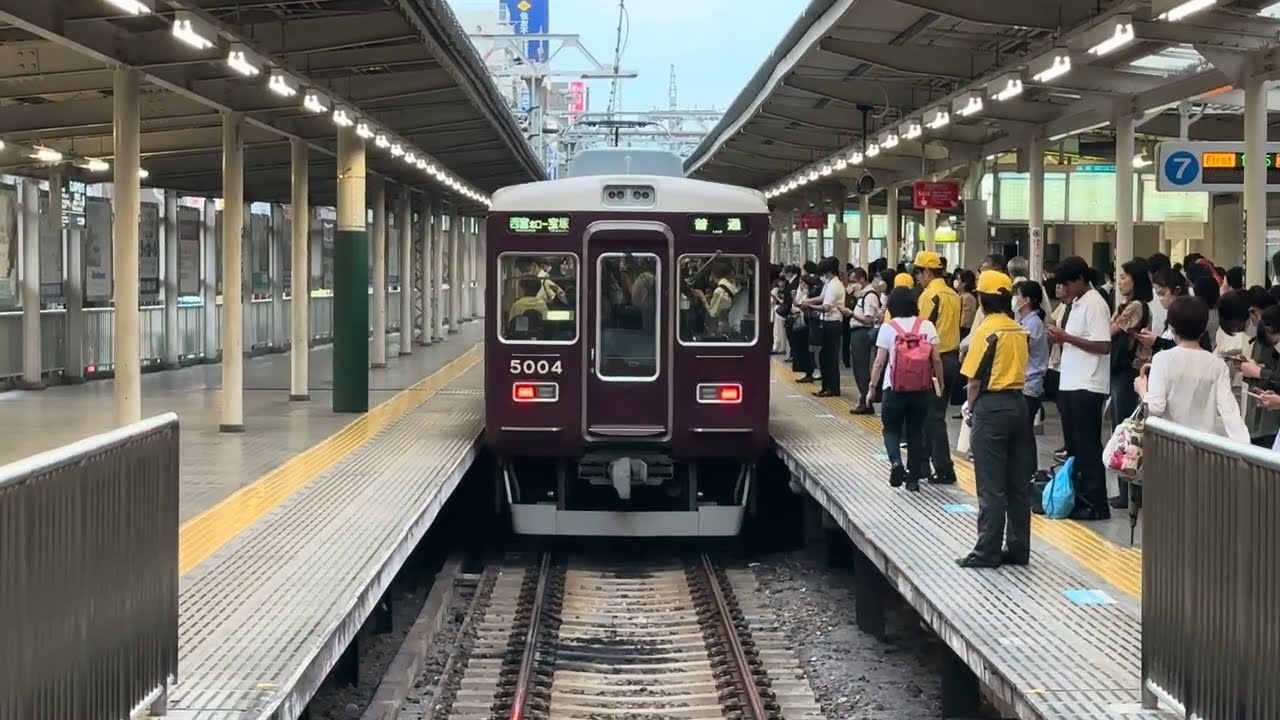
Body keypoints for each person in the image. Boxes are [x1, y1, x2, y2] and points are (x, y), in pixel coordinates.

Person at [957, 270, 1033, 568]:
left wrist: (969, 406)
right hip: (1019, 405)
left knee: (991, 484)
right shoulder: (1018, 329)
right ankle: (1017, 548)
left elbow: (974, 380)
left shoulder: (987, 331)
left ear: (982, 299)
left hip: (992, 408)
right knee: (1017, 483)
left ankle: (987, 550)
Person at [1047, 256, 1112, 521]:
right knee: (1074, 446)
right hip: (1071, 381)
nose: (1064, 289)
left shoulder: (1095, 304)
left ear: (1080, 279)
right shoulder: (1075, 304)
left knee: (1087, 445)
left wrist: (1065, 338)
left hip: (1088, 383)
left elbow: (1103, 345)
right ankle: (1078, 496)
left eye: (1066, 283)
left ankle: (1096, 502)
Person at [1138, 297, 1250, 444]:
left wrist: (1141, 389)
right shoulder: (1217, 364)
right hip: (1203, 445)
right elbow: (1229, 410)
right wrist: (1244, 445)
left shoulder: (1162, 359)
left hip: (1168, 443)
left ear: (1171, 328)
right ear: (1203, 330)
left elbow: (1155, 407)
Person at [868, 286, 944, 492]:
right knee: (915, 432)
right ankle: (913, 479)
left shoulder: (888, 327)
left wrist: (871, 388)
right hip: (921, 389)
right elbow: (936, 359)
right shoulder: (927, 326)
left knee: (890, 428)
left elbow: (878, 362)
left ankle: (895, 463)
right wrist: (940, 383)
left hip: (893, 388)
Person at [1107, 258, 1153, 510]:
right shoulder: (1130, 305)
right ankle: (1126, 491)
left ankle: (1129, 492)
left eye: (1124, 277)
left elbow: (1111, 330)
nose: (1120, 281)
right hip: (1123, 370)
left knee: (1125, 430)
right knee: (1123, 427)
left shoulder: (1136, 306)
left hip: (1126, 371)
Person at [912, 251, 961, 484]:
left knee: (933, 417)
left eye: (919, 272)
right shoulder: (953, 294)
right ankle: (926, 464)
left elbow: (922, 331)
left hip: (935, 361)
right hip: (952, 358)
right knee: (934, 413)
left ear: (928, 272)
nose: (918, 278)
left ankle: (943, 468)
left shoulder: (930, 295)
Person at [801, 257, 845, 397]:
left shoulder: (835, 285)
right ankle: (826, 386)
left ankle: (832, 388)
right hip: (826, 323)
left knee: (831, 357)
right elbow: (822, 297)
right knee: (824, 357)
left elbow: (826, 307)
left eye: (825, 272)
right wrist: (807, 300)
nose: (823, 275)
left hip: (832, 323)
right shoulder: (829, 283)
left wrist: (809, 305)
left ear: (831, 271)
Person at [1015, 280, 1049, 455]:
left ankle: (1027, 472)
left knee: (1023, 434)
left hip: (1030, 384)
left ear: (1026, 300)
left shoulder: (1033, 323)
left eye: (1017, 295)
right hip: (1026, 383)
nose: (1015, 299)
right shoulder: (1026, 321)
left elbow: (1020, 349)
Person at [849, 269, 884, 414]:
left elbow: (868, 319)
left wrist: (850, 313)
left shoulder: (870, 296)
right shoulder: (863, 294)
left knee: (862, 368)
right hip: (857, 332)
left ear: (862, 280)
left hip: (862, 333)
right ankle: (864, 399)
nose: (851, 285)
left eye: (853, 281)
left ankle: (866, 401)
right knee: (858, 368)